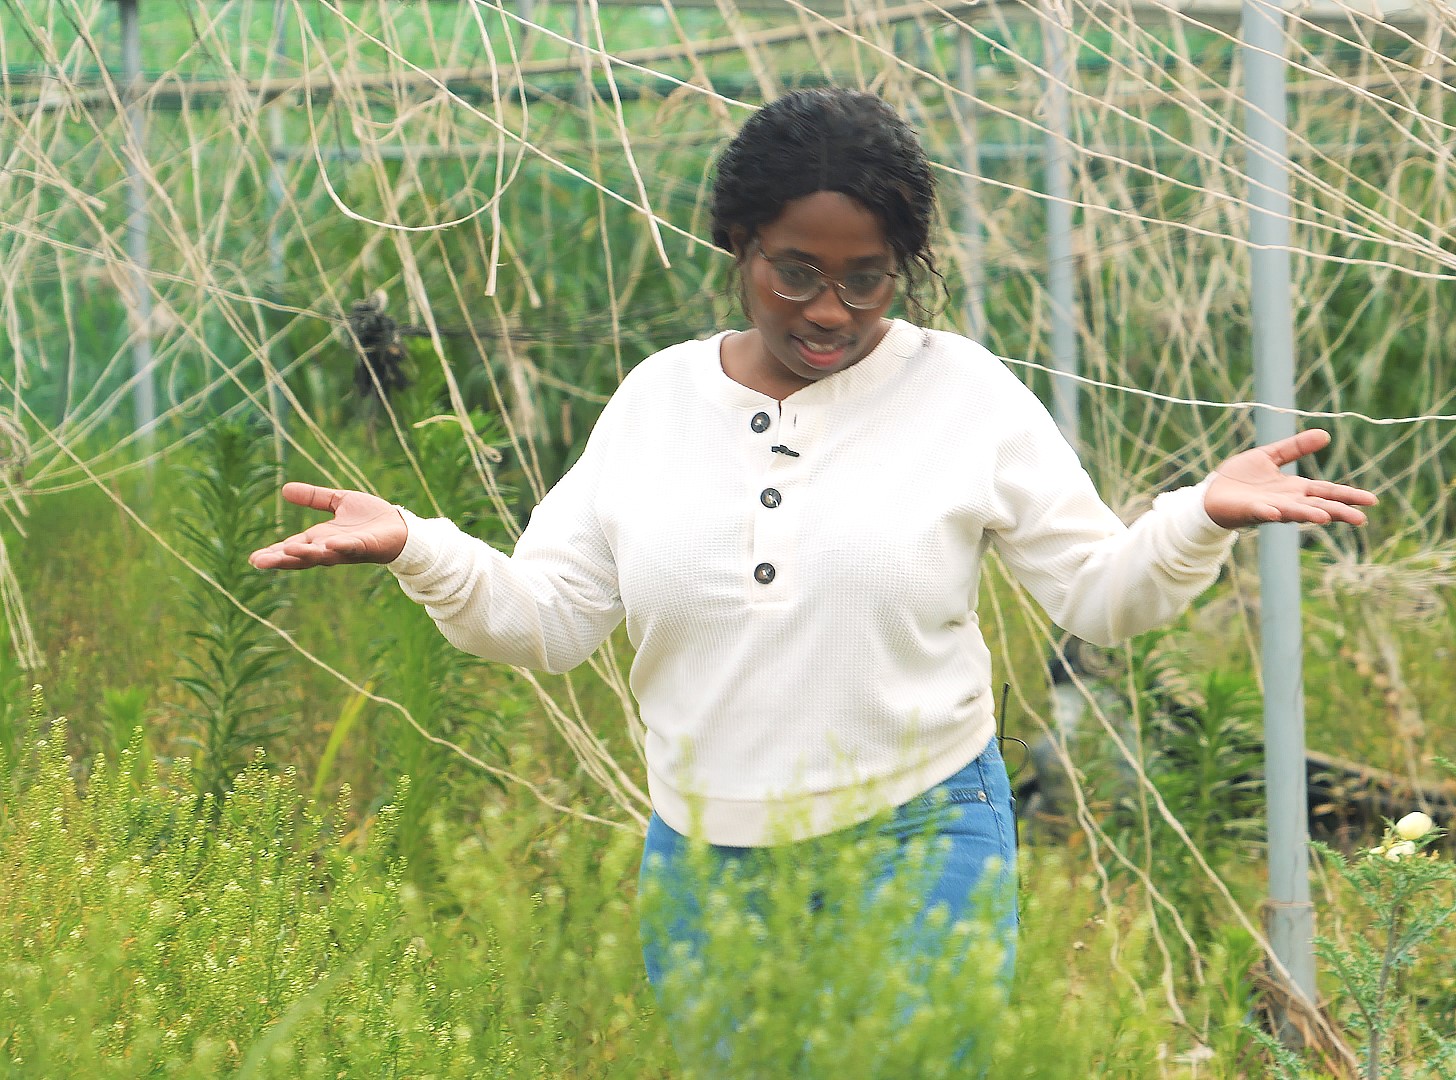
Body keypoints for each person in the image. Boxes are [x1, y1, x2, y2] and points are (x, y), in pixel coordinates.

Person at [249, 87, 1376, 1070]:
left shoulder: (965, 395)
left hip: (920, 832)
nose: (830, 311)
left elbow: (1099, 594)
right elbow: (547, 620)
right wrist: (418, 544)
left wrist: (1195, 518)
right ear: (738, 243)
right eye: (798, 273)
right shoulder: (654, 403)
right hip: (705, 859)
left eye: (866, 281)